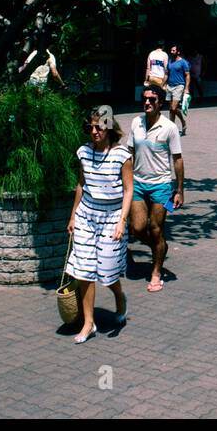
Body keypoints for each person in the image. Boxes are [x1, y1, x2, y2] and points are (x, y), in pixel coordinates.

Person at [65, 106, 133, 344]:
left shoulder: (122, 155)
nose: (94, 131)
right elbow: (81, 185)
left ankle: (119, 297)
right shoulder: (83, 152)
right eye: (91, 127)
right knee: (84, 271)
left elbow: (128, 190)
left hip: (112, 216)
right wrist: (73, 216)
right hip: (86, 214)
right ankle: (88, 323)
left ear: (109, 128)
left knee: (107, 272)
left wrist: (122, 221)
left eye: (99, 127)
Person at [128, 84, 185, 293]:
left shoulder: (169, 127)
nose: (147, 102)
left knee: (156, 228)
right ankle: (159, 247)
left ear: (160, 102)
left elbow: (177, 159)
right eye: (145, 99)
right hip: (138, 184)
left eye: (152, 99)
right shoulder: (136, 122)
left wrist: (179, 190)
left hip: (161, 185)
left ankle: (156, 272)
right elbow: (130, 153)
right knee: (137, 228)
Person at [165, 44, 191, 135]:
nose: (171, 52)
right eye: (171, 50)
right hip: (169, 86)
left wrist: (186, 88)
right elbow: (167, 74)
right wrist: (163, 84)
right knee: (171, 109)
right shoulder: (170, 62)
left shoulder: (183, 62)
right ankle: (172, 129)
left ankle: (183, 122)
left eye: (173, 50)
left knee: (174, 107)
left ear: (178, 52)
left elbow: (187, 75)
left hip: (179, 86)